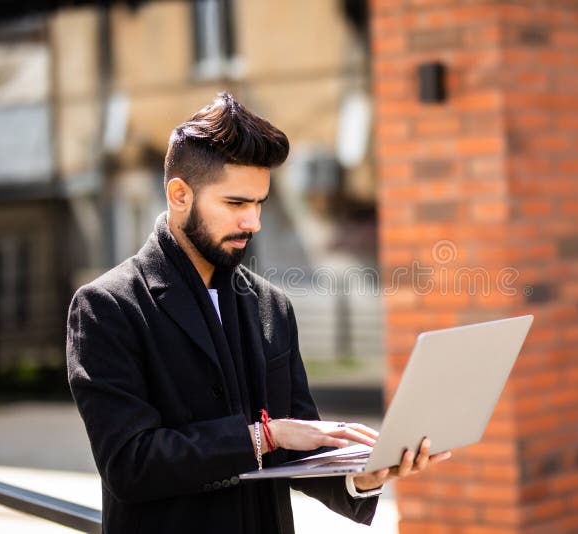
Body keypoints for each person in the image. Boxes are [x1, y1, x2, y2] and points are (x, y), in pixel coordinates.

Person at [66, 92, 450, 534]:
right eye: (235, 204)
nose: (253, 222)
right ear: (179, 195)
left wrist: (361, 475)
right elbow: (130, 464)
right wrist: (262, 437)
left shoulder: (272, 306)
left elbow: (299, 446)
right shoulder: (107, 307)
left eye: (259, 204)